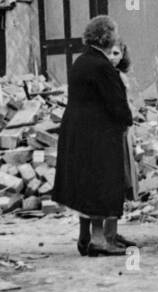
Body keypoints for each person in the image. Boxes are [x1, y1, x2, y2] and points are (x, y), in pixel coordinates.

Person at [53, 15, 135, 256]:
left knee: (84, 184)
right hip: (99, 132)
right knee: (102, 182)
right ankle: (99, 240)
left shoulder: (81, 62)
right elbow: (116, 103)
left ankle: (85, 236)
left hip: (77, 130)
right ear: (108, 37)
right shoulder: (101, 66)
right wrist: (127, 120)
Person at [106, 41, 140, 250]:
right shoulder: (106, 78)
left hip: (123, 134)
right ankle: (107, 234)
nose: (112, 57)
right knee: (112, 182)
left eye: (116, 53)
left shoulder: (121, 77)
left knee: (121, 182)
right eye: (109, 53)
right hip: (111, 134)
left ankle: (112, 230)